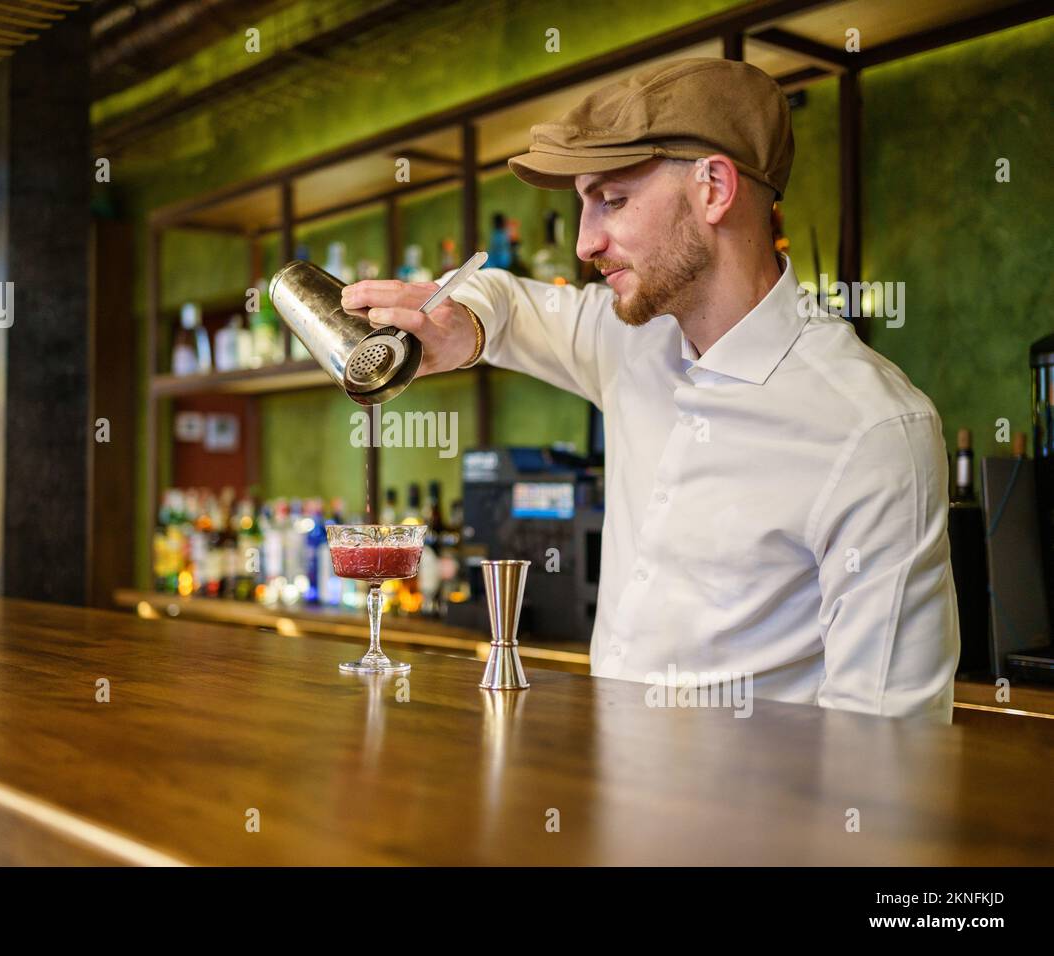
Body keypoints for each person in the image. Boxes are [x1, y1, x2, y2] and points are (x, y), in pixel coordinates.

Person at [341, 57, 960, 723]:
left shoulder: (869, 429)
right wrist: (465, 326)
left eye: (613, 200)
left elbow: (889, 750)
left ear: (714, 188)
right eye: (582, 204)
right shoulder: (632, 341)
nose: (584, 242)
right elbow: (507, 301)